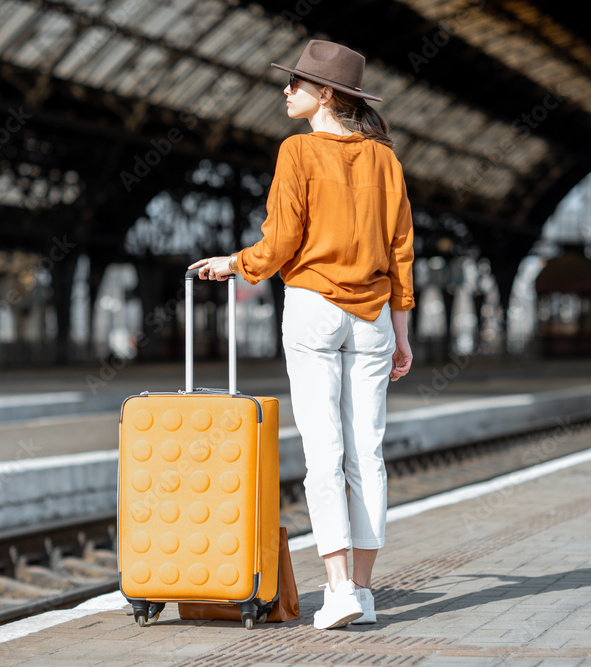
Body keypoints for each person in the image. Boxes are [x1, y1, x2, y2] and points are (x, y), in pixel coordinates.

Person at [189, 39, 414, 630]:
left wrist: (234, 264)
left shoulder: (297, 152)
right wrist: (403, 332)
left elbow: (281, 240)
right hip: (373, 318)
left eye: (296, 83)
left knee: (325, 454)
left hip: (315, 307)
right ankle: (362, 595)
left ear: (327, 94)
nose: (286, 91)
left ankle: (337, 590)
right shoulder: (386, 161)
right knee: (368, 452)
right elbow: (401, 254)